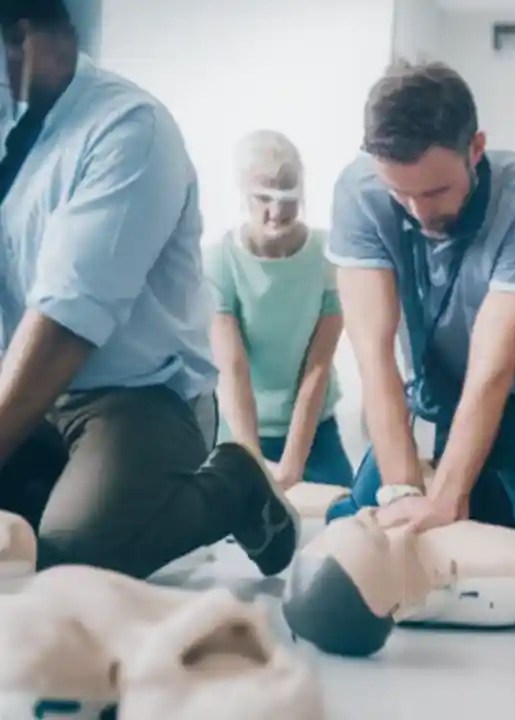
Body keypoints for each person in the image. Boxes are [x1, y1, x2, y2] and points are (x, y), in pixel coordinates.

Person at [0, 0, 296, 579]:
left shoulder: (128, 129)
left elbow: (65, 324)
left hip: (139, 394)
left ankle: (234, 484)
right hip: (26, 388)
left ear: (25, 44)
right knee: (19, 542)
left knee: (75, 556)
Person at [325, 60, 515, 610]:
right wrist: (405, 494)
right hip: (436, 400)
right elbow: (374, 356)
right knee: (357, 534)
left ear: (476, 148)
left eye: (436, 190)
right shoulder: (359, 192)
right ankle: (476, 487)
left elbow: (493, 370)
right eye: (401, 194)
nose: (418, 211)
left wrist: (445, 499)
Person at [205, 129, 354, 490]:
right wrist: (252, 460)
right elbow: (233, 368)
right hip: (239, 428)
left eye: (287, 197)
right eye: (263, 198)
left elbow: (318, 365)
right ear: (244, 193)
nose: (276, 212)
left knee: (345, 510)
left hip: (313, 429)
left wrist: (292, 464)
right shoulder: (219, 260)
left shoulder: (329, 255)